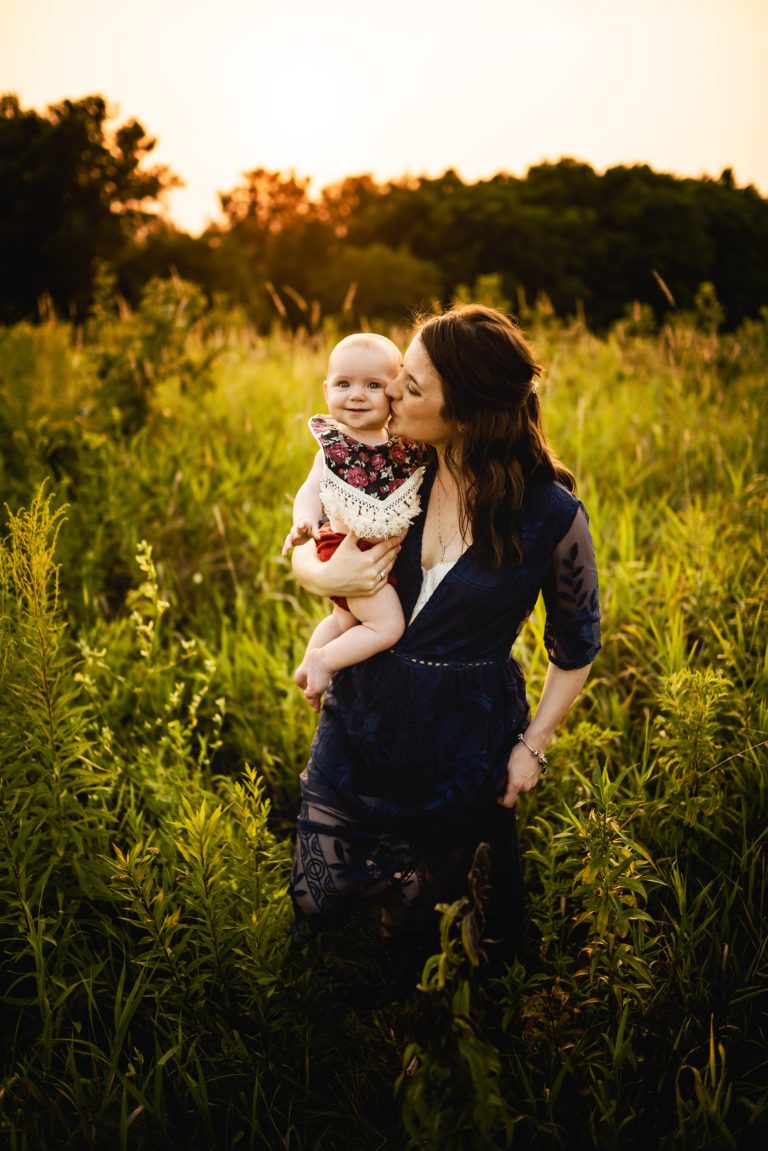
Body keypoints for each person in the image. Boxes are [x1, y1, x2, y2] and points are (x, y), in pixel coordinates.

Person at [289, 305, 601, 979]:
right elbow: (312, 536)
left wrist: (533, 745)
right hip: (362, 715)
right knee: (318, 898)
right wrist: (316, 569)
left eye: (411, 385)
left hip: (462, 737)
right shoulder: (398, 467)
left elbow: (576, 645)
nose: (391, 391)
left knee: (428, 934)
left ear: (464, 411)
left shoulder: (551, 515)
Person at [282, 332, 426, 710]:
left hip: (366, 554)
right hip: (345, 550)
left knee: (344, 620)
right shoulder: (335, 446)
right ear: (327, 389)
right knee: (387, 626)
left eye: (373, 385)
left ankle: (305, 666)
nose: (357, 395)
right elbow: (310, 490)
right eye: (344, 384)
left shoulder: (402, 445)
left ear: (394, 393)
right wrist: (304, 522)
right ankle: (322, 660)